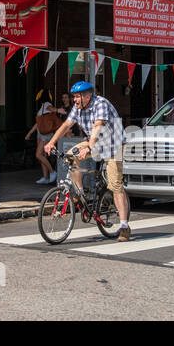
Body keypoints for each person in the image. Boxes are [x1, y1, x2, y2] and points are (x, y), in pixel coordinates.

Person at [44, 81, 132, 241]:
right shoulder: (77, 109)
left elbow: (98, 126)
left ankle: (124, 226)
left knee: (115, 185)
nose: (75, 100)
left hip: (114, 144)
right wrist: (51, 142)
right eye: (74, 97)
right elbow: (65, 126)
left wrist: (89, 148)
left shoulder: (101, 104)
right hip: (95, 142)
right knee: (71, 156)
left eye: (78, 97)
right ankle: (80, 192)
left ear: (87, 96)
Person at [25, 90, 58, 184]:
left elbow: (52, 109)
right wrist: (30, 133)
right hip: (40, 133)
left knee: (38, 154)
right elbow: (38, 123)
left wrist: (57, 110)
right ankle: (45, 177)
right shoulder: (43, 107)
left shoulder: (47, 104)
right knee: (42, 155)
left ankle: (52, 172)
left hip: (45, 134)